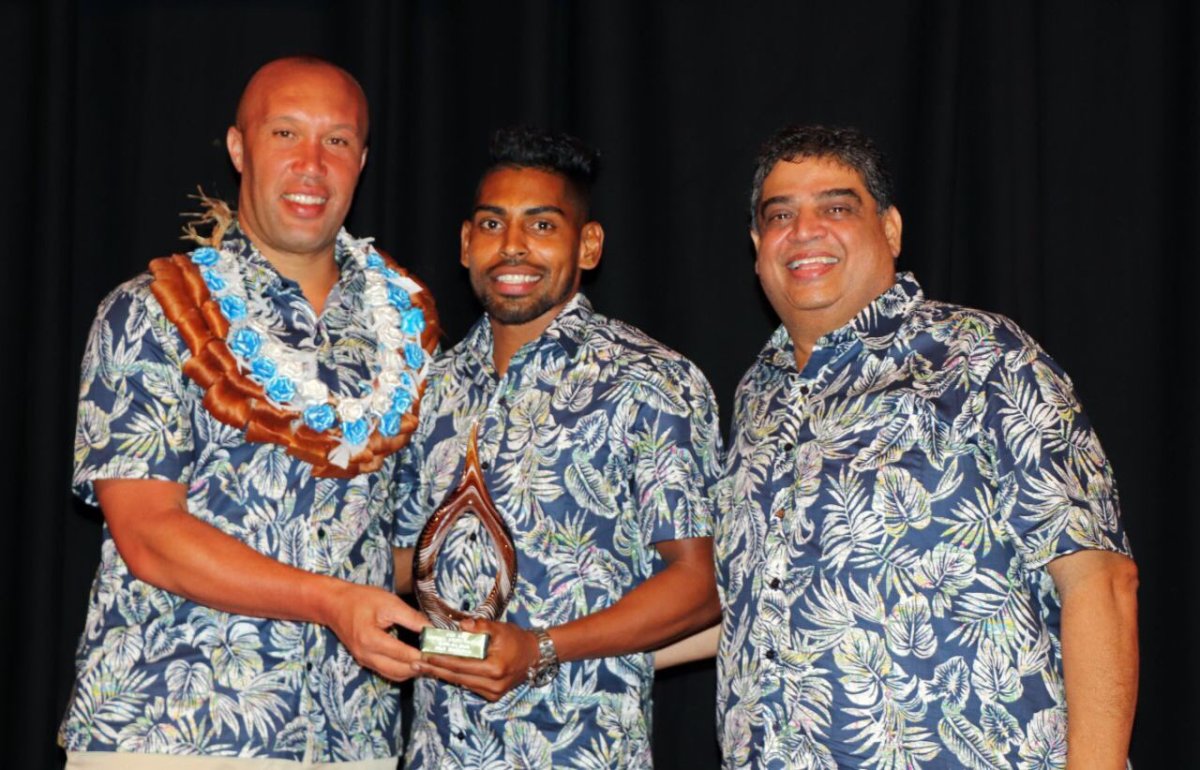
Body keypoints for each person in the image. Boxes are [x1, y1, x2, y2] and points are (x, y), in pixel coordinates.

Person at [715, 125, 1138, 769]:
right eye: (780, 215)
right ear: (756, 246)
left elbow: (1099, 582)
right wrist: (556, 646)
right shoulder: (756, 399)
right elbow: (750, 609)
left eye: (835, 208)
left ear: (890, 230)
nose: (803, 231)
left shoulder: (980, 356)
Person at [60, 57, 437, 768]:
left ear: (362, 159)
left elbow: (407, 550)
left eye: (336, 141)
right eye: (285, 133)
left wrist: (547, 627)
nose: (310, 164)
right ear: (239, 148)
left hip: (352, 738)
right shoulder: (154, 311)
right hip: (173, 732)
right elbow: (150, 536)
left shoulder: (409, 328)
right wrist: (332, 602)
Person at [393, 126, 723, 769]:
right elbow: (403, 564)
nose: (512, 247)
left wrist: (541, 647)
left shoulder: (651, 382)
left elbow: (700, 584)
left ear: (588, 245)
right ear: (465, 244)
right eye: (492, 225)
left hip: (581, 751)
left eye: (542, 226)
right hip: (439, 753)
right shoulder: (429, 389)